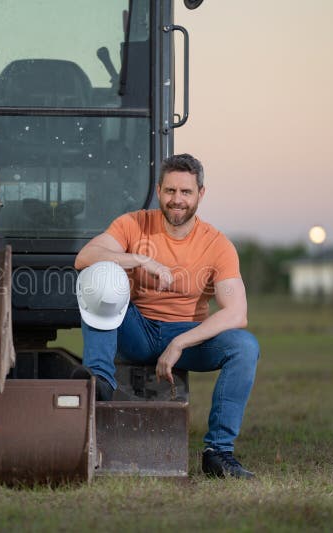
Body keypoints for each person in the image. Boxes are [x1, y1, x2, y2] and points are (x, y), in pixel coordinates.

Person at [74, 153, 260, 479]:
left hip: (188, 337)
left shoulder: (217, 244)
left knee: (244, 346)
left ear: (201, 194)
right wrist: (139, 260)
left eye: (186, 192)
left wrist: (180, 344)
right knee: (99, 275)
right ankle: (100, 380)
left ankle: (218, 453)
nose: (177, 200)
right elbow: (85, 257)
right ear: (159, 190)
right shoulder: (133, 223)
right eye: (170, 191)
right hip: (137, 330)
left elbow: (237, 312)